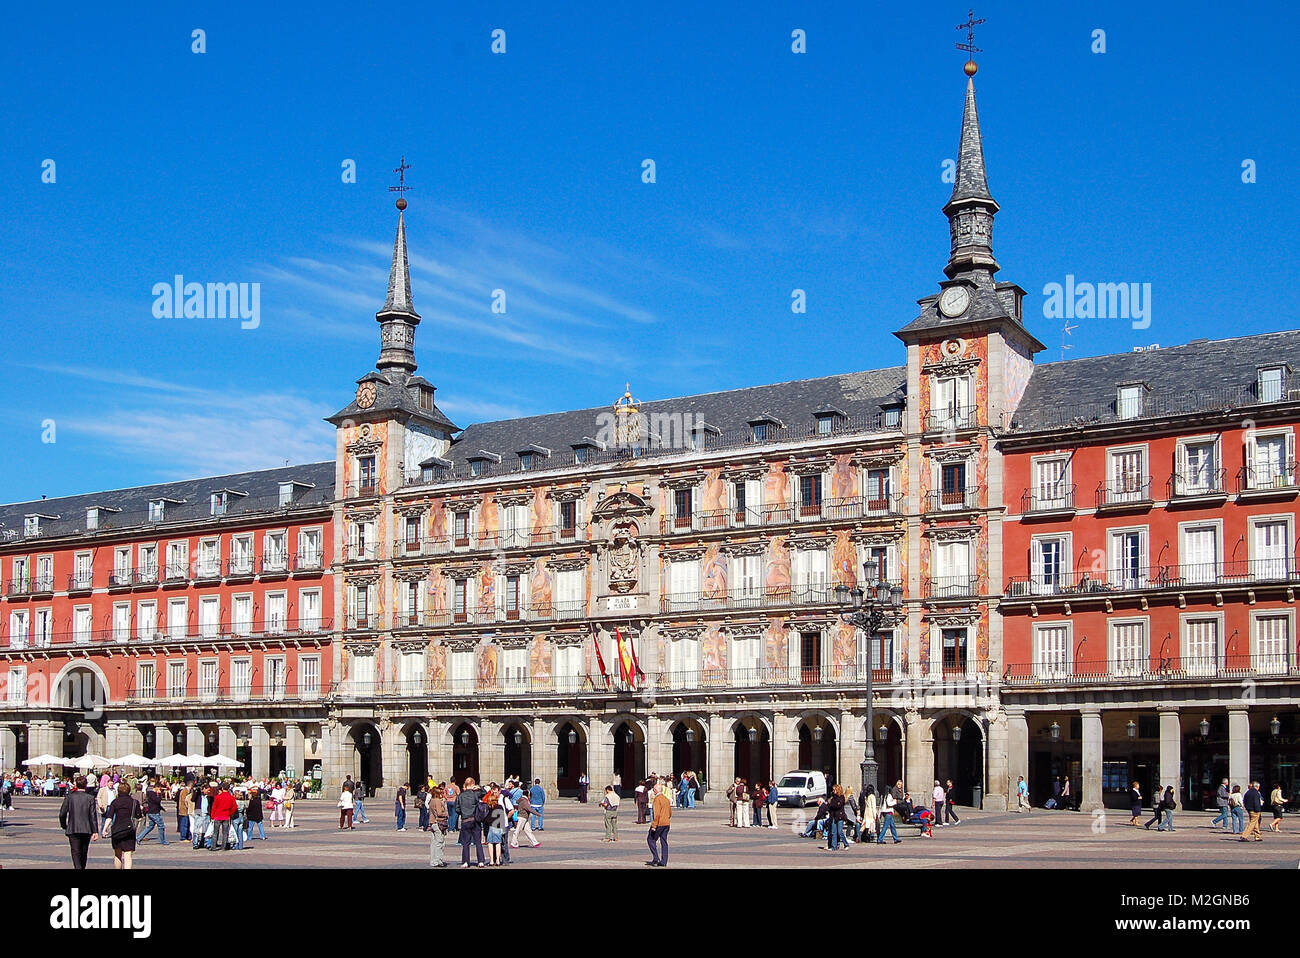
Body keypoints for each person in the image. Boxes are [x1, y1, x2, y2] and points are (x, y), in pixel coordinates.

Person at [59, 775, 101, 870]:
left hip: (73, 828)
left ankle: (78, 867)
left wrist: (64, 825)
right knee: (84, 851)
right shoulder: (90, 798)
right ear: (85, 785)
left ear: (76, 785)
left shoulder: (70, 797)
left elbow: (62, 813)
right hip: (86, 828)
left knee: (75, 851)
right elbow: (93, 816)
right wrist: (95, 831)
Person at [104, 782, 142, 869]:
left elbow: (109, 817)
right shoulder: (134, 802)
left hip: (117, 830)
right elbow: (139, 816)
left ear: (118, 791)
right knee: (128, 855)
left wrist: (104, 829)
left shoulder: (115, 802)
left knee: (117, 854)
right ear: (129, 791)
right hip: (129, 830)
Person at [456, 777, 486, 867]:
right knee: (478, 842)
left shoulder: (460, 796)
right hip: (475, 819)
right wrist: (479, 787)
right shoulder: (475, 794)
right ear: (473, 784)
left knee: (465, 842)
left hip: (465, 820)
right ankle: (480, 861)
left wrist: (463, 812)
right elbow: (485, 793)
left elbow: (457, 809)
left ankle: (465, 861)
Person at [136, 778, 169, 845]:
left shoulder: (152, 794)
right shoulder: (152, 794)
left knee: (150, 826)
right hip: (154, 813)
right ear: (156, 788)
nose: (160, 790)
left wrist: (163, 809)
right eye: (159, 788)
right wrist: (159, 794)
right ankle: (162, 841)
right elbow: (157, 801)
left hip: (153, 812)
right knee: (161, 826)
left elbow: (158, 804)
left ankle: (139, 838)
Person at [646, 781, 671, 866]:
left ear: (655, 790)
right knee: (664, 841)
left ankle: (656, 858)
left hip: (659, 823)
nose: (653, 791)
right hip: (666, 823)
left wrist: (654, 826)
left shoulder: (657, 799)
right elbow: (670, 812)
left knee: (650, 839)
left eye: (654, 790)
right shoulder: (666, 799)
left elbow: (656, 814)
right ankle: (664, 861)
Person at [210, 782, 237, 850]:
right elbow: (234, 807)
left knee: (215, 832)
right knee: (225, 833)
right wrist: (230, 813)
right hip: (226, 816)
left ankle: (213, 846)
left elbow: (214, 807)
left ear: (222, 788)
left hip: (217, 816)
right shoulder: (231, 797)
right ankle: (223, 847)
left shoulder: (218, 797)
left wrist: (212, 816)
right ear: (228, 789)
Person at [429, 784, 449, 867]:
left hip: (432, 822)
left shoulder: (432, 800)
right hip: (438, 823)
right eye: (441, 793)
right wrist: (446, 814)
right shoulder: (437, 800)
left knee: (434, 843)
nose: (442, 794)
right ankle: (438, 860)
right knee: (440, 843)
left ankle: (433, 861)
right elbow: (439, 813)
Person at [824, 784, 848, 850]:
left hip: (840, 816)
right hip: (833, 816)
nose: (833, 791)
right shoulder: (833, 797)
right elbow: (829, 806)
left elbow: (838, 806)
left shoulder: (841, 797)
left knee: (840, 831)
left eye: (834, 789)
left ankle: (846, 844)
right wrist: (831, 804)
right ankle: (834, 847)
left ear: (837, 790)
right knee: (833, 832)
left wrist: (831, 804)